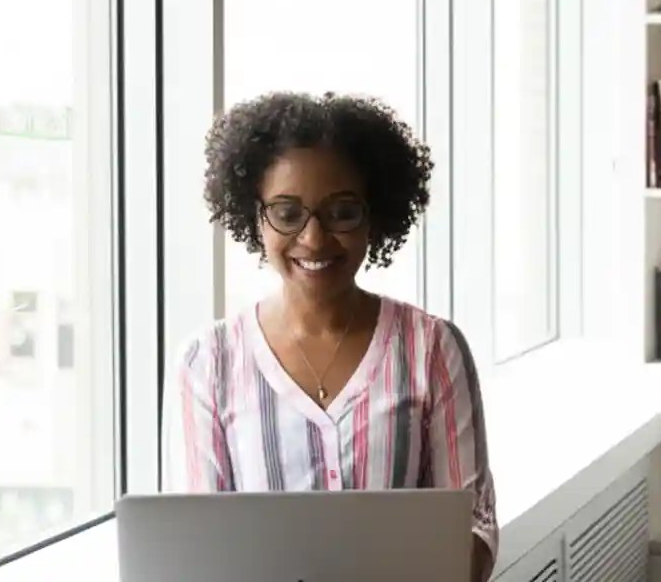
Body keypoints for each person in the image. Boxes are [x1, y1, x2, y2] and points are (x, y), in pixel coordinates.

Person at [164, 91, 497, 581]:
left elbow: (475, 533)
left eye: (341, 212)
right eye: (287, 211)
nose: (314, 239)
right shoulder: (208, 362)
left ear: (375, 215)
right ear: (256, 218)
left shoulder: (431, 349)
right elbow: (195, 554)